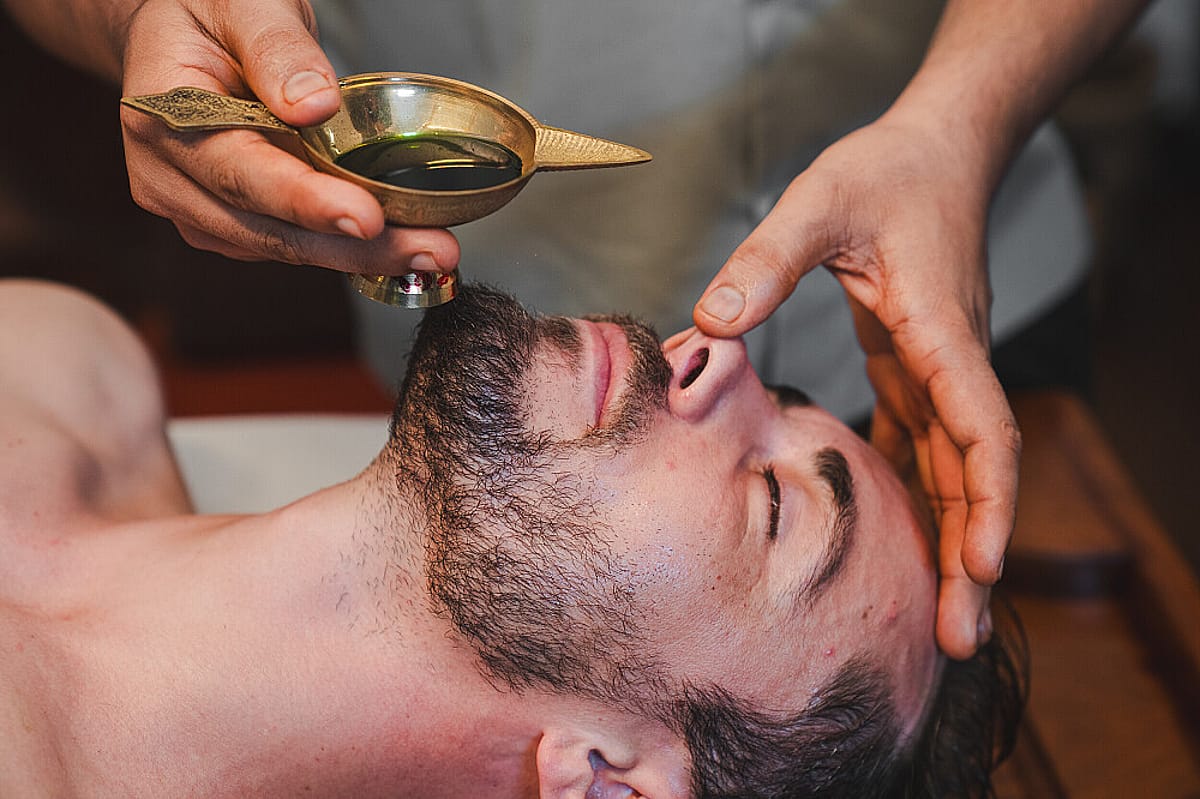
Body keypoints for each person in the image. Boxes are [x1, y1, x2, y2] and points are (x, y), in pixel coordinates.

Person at [0, 0, 1151, 661]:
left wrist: (965, 115)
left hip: (951, 309)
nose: (720, 351)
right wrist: (143, 16)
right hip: (482, 291)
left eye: (779, 498)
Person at [0, 278, 1024, 797]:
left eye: (774, 505)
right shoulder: (68, 370)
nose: (720, 354)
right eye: (787, 398)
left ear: (610, 778)